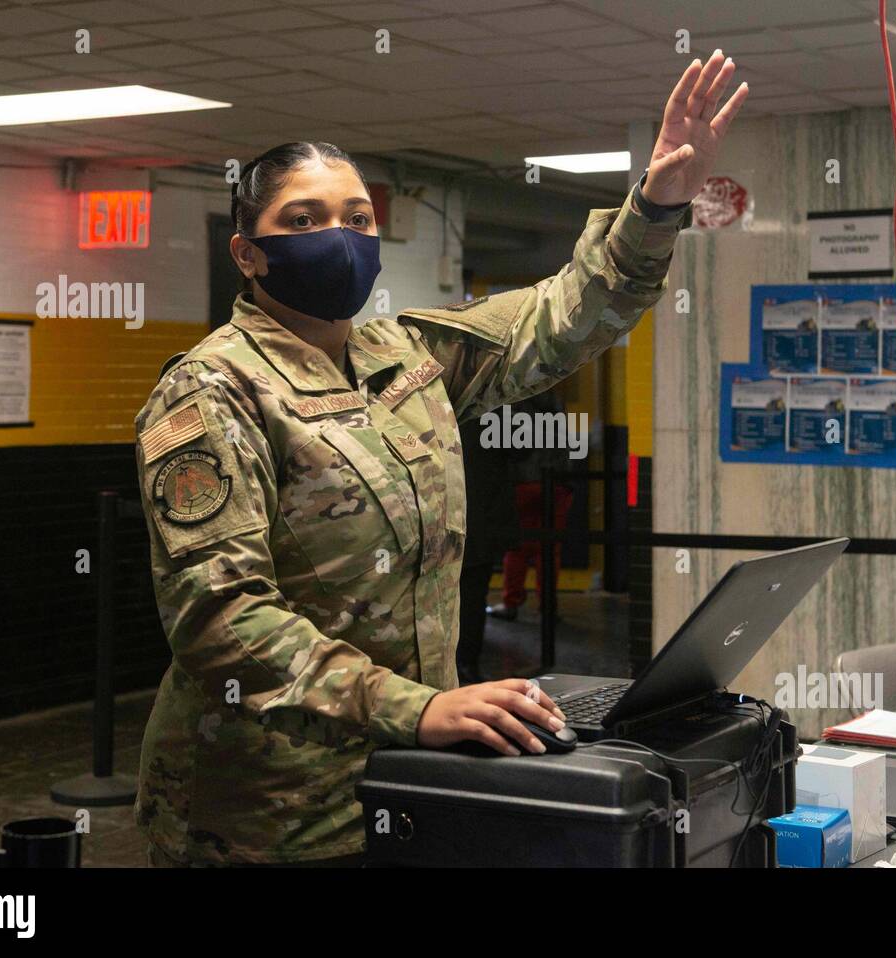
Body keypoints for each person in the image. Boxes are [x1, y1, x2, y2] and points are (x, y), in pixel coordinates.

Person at [133, 52, 748, 866]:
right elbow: (220, 621)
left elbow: (565, 315)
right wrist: (416, 708)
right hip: (269, 813)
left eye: (357, 217)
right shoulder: (211, 392)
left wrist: (657, 203)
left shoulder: (406, 354)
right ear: (248, 254)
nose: (340, 238)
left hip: (408, 781)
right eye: (304, 220)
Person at [485, 390, 574, 622]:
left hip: (523, 482)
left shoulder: (512, 398)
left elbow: (510, 446)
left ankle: (511, 602)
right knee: (550, 549)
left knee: (517, 548)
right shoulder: (556, 400)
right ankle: (547, 608)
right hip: (557, 481)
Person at [454, 415, 520, 684]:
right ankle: (466, 665)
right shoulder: (494, 407)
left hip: (444, 516)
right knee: (473, 597)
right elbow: (520, 449)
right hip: (481, 518)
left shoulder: (430, 403)